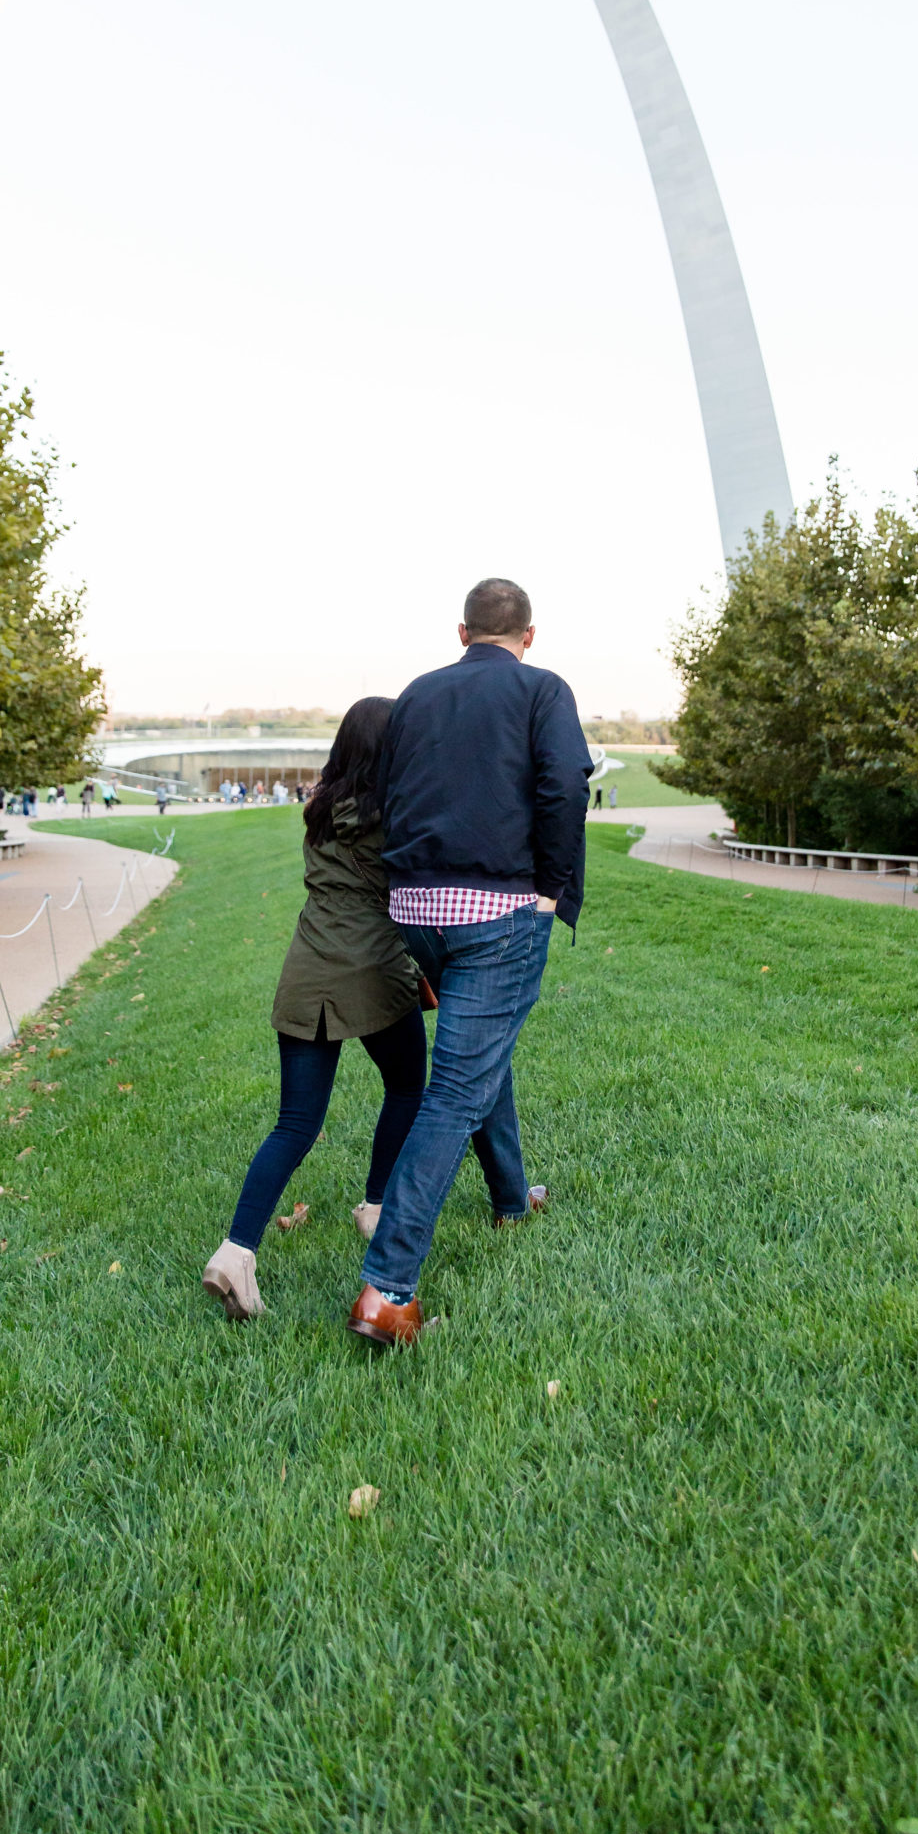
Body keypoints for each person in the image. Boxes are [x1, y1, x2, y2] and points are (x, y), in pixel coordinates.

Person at [348, 576, 591, 1348]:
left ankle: (512, 1199)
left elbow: (388, 793)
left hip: (416, 907)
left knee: (481, 1052)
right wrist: (551, 889)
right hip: (497, 908)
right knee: (456, 1087)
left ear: (462, 634)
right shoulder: (542, 689)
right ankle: (387, 1290)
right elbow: (563, 786)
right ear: (528, 635)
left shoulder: (417, 694)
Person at [202, 698, 428, 1322]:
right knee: (409, 1086)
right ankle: (376, 1205)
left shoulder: (321, 809)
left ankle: (234, 1252)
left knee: (295, 1125)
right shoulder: (398, 815)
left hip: (306, 969)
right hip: (372, 972)